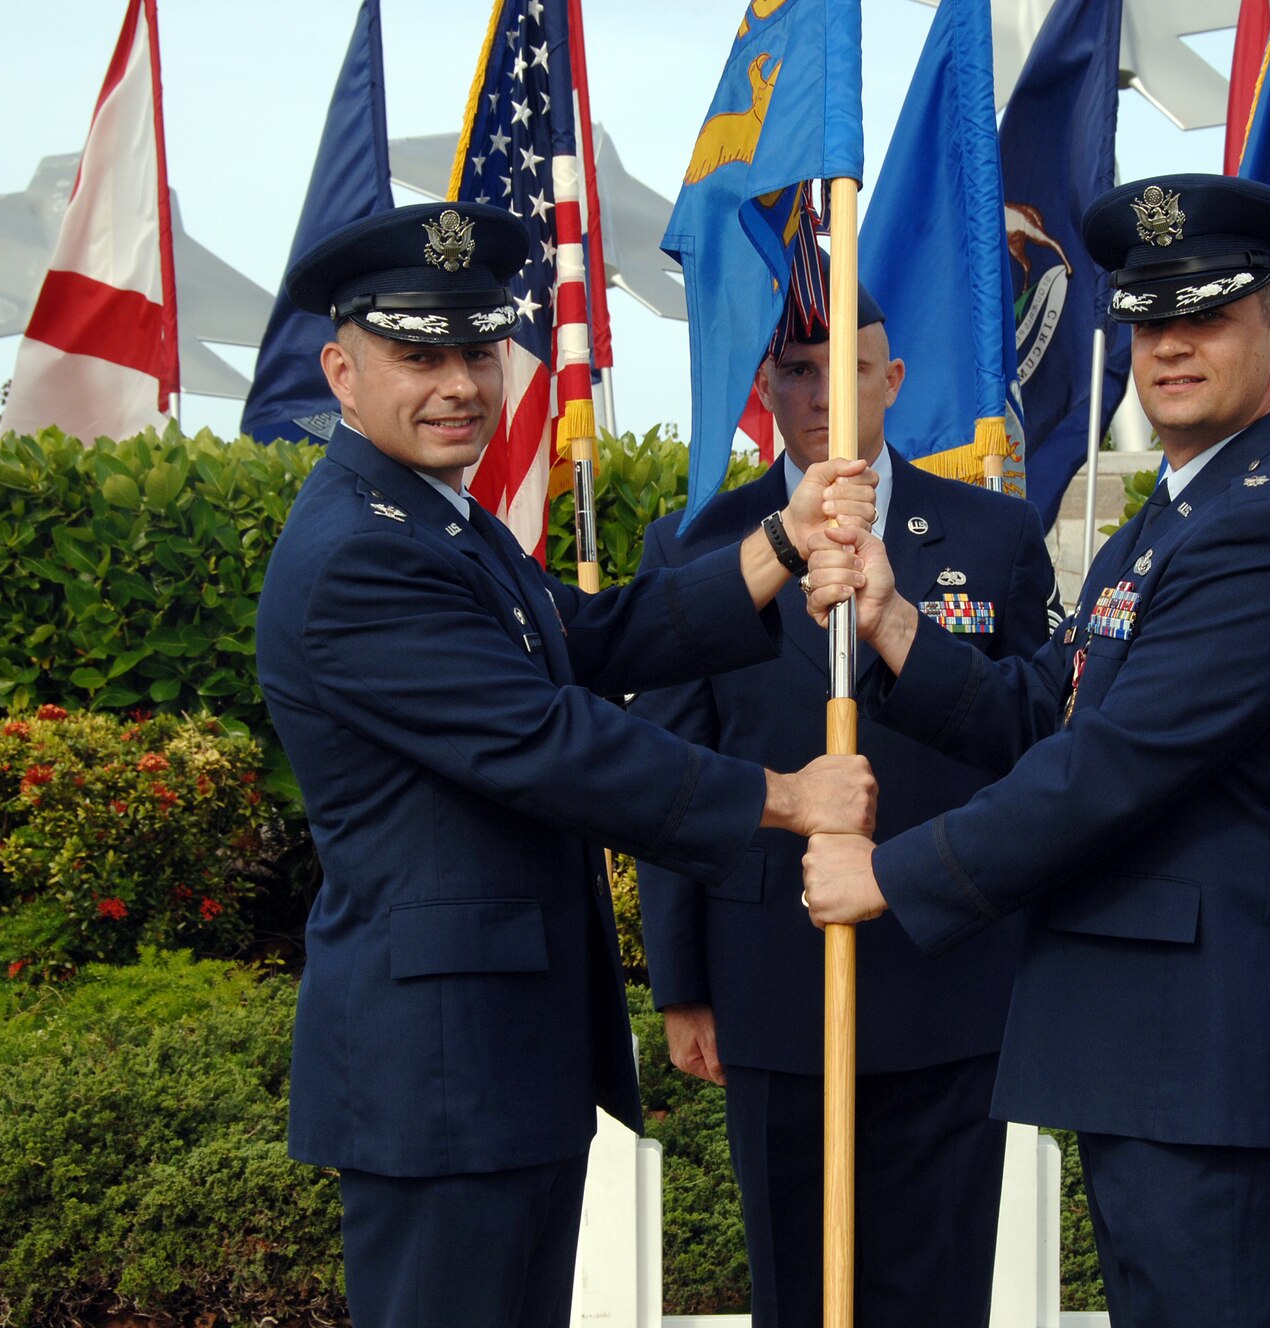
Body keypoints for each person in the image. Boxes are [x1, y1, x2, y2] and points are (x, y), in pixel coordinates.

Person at [254, 202, 878, 1328]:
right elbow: (545, 739)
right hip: (442, 1071)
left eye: (476, 350)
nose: (458, 385)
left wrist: (780, 543)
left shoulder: (435, 520)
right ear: (341, 373)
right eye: (419, 357)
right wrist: (786, 798)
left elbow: (584, 637)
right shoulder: (361, 554)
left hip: (494, 1057)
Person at [800, 175, 1270, 1327]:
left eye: (1205, 317)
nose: (1168, 346)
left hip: (1214, 1053)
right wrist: (892, 621)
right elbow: (1047, 707)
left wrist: (889, 874)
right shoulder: (1169, 519)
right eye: (1148, 319)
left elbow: (1103, 770)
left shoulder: (1265, 529)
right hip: (1161, 1050)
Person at [631, 276, 1058, 1328]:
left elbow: (1039, 745)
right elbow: (670, 773)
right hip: (769, 979)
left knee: (936, 1292)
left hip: (948, 973)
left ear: (893, 377)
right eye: (798, 371)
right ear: (763, 385)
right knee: (794, 1291)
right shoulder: (697, 545)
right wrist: (681, 982)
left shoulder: (993, 535)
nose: (826, 395)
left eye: (852, 369)